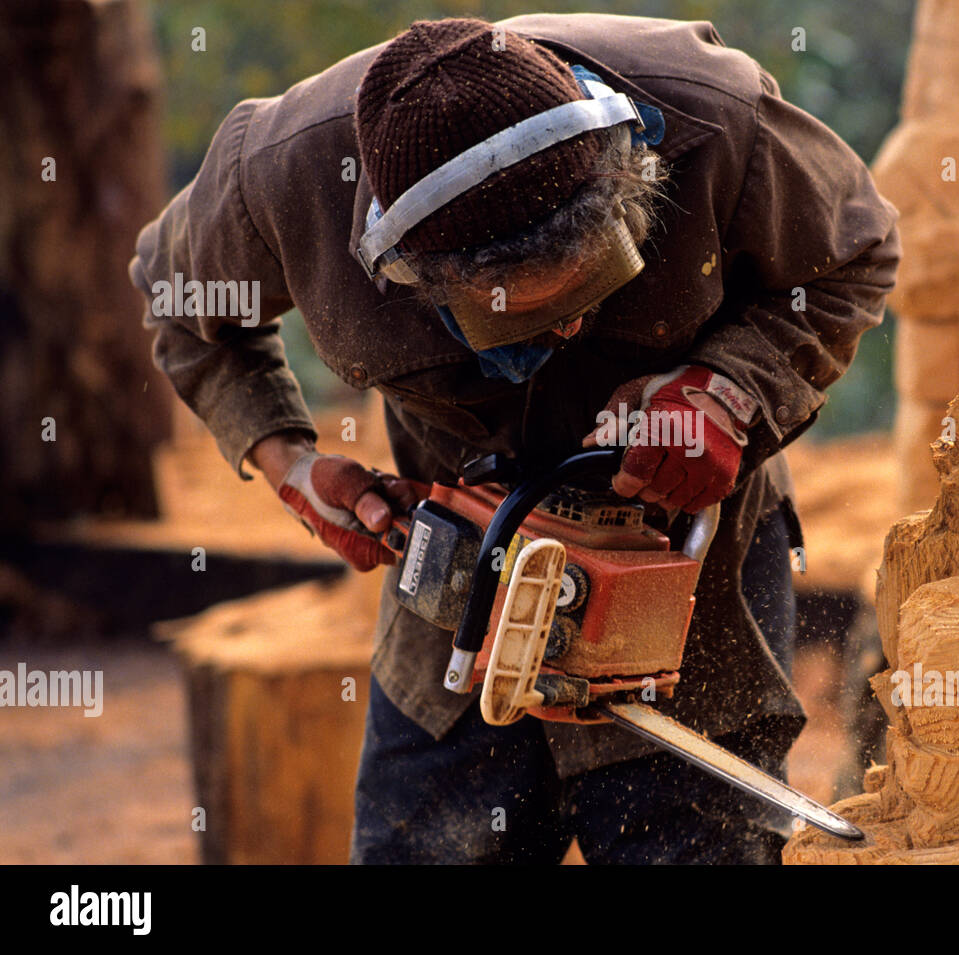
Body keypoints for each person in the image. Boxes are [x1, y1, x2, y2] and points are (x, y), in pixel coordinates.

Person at [131, 13, 900, 864]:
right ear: (409, 270)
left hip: (692, 589)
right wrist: (292, 465)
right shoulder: (284, 172)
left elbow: (854, 257)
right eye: (528, 318)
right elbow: (181, 310)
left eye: (593, 287)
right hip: (458, 603)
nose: (570, 331)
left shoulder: (715, 117)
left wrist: (729, 392)